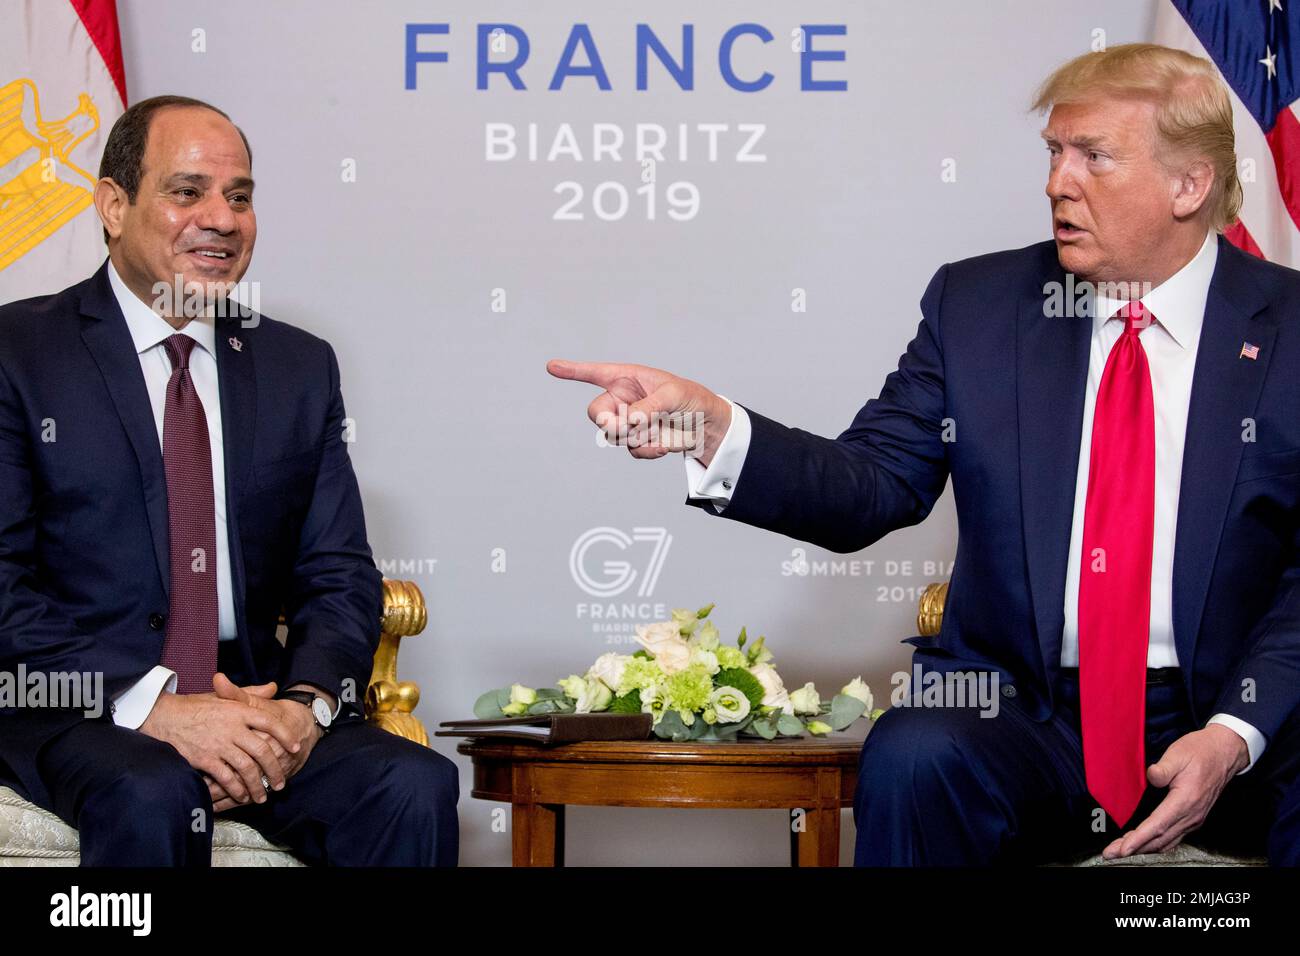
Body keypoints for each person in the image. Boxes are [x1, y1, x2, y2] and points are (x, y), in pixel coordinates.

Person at [549, 43, 1300, 865]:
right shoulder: (978, 306)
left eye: (1094, 157)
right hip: (1027, 710)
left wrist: (1235, 732)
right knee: (915, 752)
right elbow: (869, 487)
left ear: (1189, 185)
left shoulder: (1288, 329)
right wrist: (712, 428)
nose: (1059, 182)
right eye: (1054, 153)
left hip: (1237, 708)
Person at [0, 95, 458, 866]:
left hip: (254, 700)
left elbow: (338, 574)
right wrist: (156, 708)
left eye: (239, 197)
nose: (222, 218)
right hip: (77, 707)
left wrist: (305, 710)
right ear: (114, 206)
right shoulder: (19, 352)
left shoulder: (297, 367)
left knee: (411, 784)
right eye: (187, 192)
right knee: (151, 791)